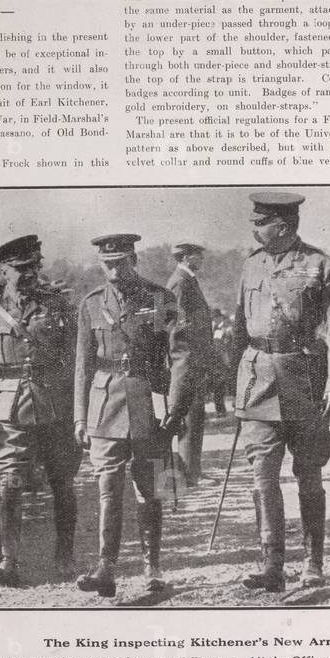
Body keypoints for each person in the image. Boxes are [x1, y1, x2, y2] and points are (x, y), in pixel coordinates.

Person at [233, 191, 330, 593]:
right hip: (259, 385)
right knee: (262, 477)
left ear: (281, 226)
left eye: (260, 223)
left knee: (309, 476)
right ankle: (272, 564)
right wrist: (236, 391)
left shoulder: (319, 265)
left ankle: (313, 563)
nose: (253, 228)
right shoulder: (250, 267)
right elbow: (238, 333)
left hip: (305, 383)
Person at [73, 234, 192, 598]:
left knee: (151, 488)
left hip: (148, 400)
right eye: (107, 264)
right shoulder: (91, 304)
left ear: (133, 260)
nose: (113, 270)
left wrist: (175, 404)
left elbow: (180, 354)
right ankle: (105, 568)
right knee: (108, 488)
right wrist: (80, 416)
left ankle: (152, 568)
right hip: (104, 403)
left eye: (120, 263)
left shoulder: (160, 299)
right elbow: (83, 364)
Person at [0, 234, 81, 584]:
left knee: (62, 482)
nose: (30, 274)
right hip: (9, 411)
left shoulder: (58, 306)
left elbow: (74, 359)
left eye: (34, 266)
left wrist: (70, 404)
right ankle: (9, 561)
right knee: (9, 483)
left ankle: (64, 556)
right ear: (4, 270)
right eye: (21, 268)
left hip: (54, 405)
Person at [166, 241, 216, 486]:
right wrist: (186, 361)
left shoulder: (187, 280)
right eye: (198, 256)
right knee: (186, 416)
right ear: (186, 257)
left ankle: (192, 470)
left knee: (194, 416)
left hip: (193, 360)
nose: (201, 260)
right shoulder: (179, 283)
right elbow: (174, 329)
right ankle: (187, 474)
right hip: (185, 362)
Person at [212, 309, 234, 416]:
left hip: (226, 361)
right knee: (218, 387)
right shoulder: (214, 329)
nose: (214, 320)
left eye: (216, 318)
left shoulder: (226, 328)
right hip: (218, 362)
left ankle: (231, 408)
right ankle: (220, 410)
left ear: (220, 318)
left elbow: (226, 346)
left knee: (229, 384)